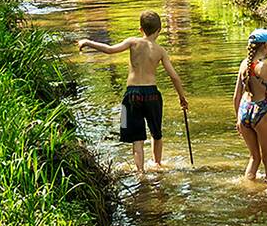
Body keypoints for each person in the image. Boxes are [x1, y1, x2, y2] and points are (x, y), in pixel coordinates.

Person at [78, 10, 189, 176]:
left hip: (132, 94)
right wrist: (182, 97)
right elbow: (174, 76)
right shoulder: (160, 50)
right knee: (156, 133)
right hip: (152, 94)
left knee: (137, 138)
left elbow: (109, 49)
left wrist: (88, 42)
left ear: (140, 29)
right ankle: (157, 164)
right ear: (159, 30)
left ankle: (140, 172)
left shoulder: (132, 42)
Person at [233, 28, 267, 181]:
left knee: (254, 158)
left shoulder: (244, 65)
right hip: (260, 111)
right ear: (266, 45)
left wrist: (238, 119)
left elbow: (236, 96)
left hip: (244, 110)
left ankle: (248, 188)